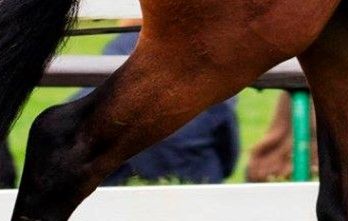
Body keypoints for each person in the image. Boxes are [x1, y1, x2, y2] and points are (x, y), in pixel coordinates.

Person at [81, 28, 241, 185]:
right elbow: (227, 148)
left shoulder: (120, 45)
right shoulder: (201, 50)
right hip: (191, 175)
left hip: (113, 173)